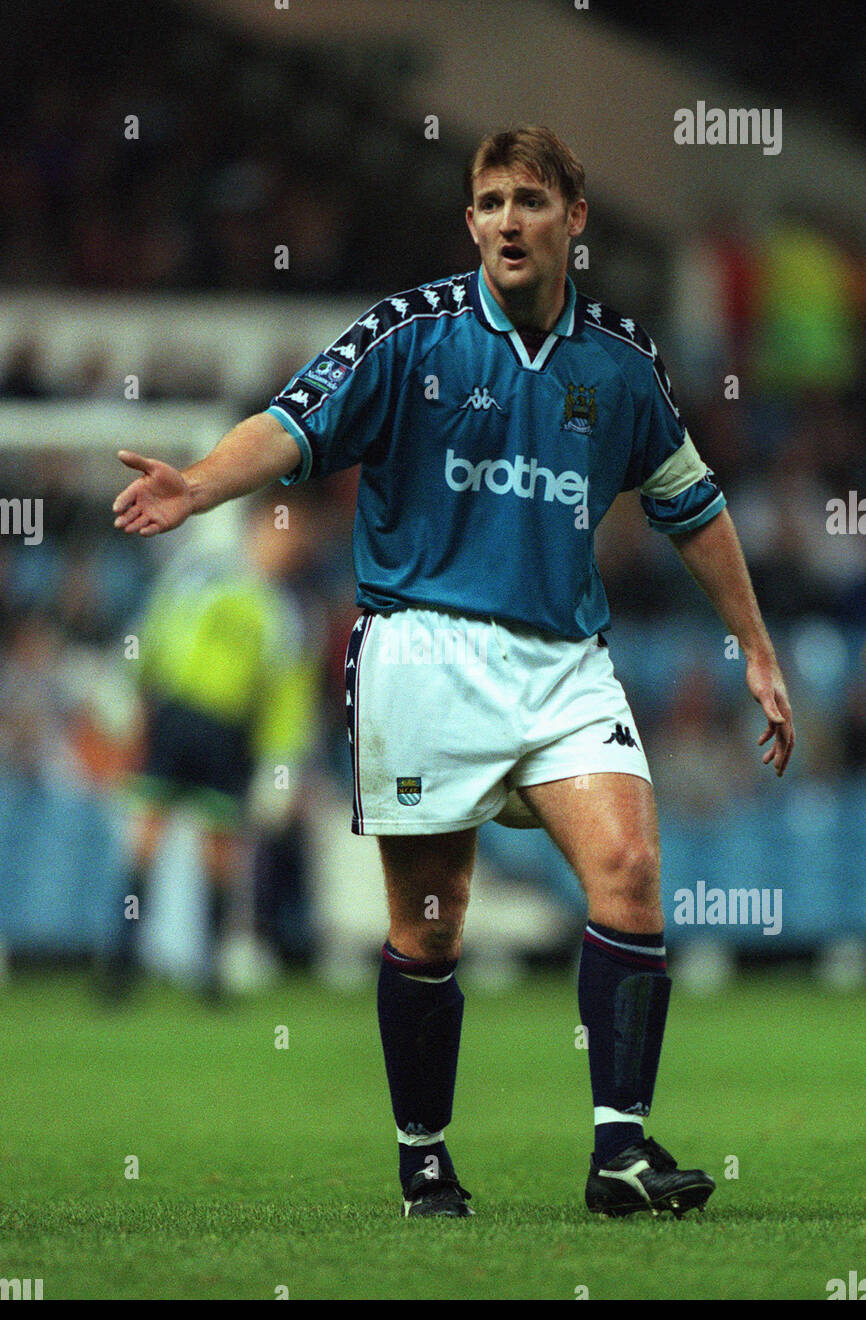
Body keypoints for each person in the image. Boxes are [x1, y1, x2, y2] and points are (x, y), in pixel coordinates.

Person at [112, 127, 794, 1217]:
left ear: (576, 219)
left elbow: (692, 504)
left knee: (626, 868)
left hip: (566, 660)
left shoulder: (620, 362)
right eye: (487, 202)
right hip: (422, 651)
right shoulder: (406, 335)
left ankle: (617, 1152)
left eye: (530, 199)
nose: (507, 220)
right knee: (432, 925)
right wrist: (197, 486)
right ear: (469, 221)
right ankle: (422, 1154)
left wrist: (754, 646)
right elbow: (291, 427)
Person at [101, 489, 319, 1001]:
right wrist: (124, 681)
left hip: (229, 735)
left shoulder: (285, 614)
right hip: (176, 720)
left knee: (220, 855)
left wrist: (278, 768)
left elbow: (287, 700)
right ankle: (120, 962)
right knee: (144, 839)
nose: (280, 546)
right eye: (276, 532)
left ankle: (212, 970)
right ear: (256, 529)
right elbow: (153, 631)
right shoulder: (203, 575)